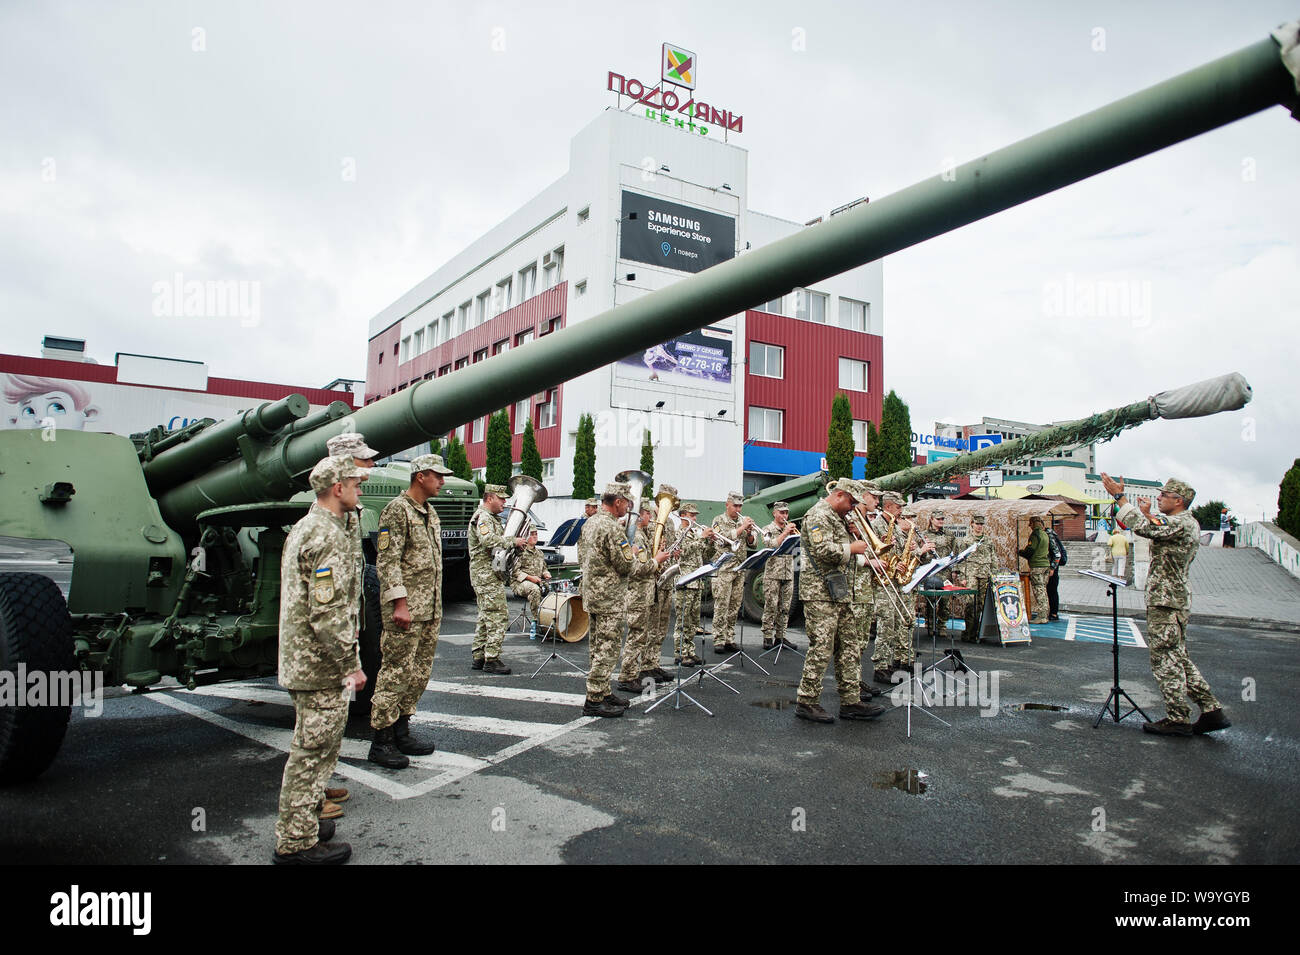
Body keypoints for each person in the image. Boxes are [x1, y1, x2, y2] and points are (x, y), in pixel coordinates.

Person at [273, 456, 369, 865]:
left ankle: (306, 821)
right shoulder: (327, 535)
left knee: (315, 747)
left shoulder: (307, 525)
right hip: (319, 665)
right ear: (337, 487)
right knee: (312, 752)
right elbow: (326, 612)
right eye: (355, 483)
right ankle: (295, 843)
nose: (360, 490)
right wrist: (351, 663)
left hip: (307, 661)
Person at [1101, 473, 1230, 737]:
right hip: (1173, 598)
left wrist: (1119, 497)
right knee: (1178, 657)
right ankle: (1211, 710)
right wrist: (1146, 514)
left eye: (1164, 496)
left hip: (1167, 600)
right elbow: (1154, 526)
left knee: (1164, 659)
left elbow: (1146, 528)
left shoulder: (1181, 523)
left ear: (1179, 501)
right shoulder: (1182, 523)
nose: (1158, 498)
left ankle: (1178, 717)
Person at [367, 453, 453, 769]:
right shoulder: (397, 511)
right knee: (395, 670)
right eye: (437, 476)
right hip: (406, 610)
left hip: (429, 609)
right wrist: (399, 604)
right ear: (420, 476)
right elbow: (387, 562)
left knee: (418, 673)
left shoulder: (430, 513)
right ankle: (382, 740)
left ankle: (402, 730)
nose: (442, 482)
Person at [794, 479, 886, 724]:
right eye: (851, 502)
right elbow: (823, 550)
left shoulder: (837, 517)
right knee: (822, 647)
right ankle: (807, 701)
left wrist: (852, 534)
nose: (853, 507)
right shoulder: (818, 515)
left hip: (838, 590)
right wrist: (852, 547)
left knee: (849, 645)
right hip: (819, 591)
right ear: (840, 495)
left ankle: (850, 700)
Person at [581, 482, 669, 716]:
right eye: (627, 502)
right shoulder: (611, 528)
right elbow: (626, 564)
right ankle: (594, 701)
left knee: (597, 647)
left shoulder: (591, 522)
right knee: (607, 650)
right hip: (609, 597)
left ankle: (601, 692)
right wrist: (656, 560)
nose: (630, 507)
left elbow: (583, 557)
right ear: (617, 502)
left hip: (593, 595)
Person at [468, 484, 523, 674]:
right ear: (490, 498)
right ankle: (491, 658)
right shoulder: (482, 517)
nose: (505, 502)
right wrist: (512, 541)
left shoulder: (489, 517)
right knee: (499, 615)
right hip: (486, 575)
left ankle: (479, 656)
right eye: (501, 498)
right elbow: (488, 541)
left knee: (485, 615)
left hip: (486, 573)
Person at [616, 502, 659, 693]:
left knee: (639, 636)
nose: (651, 517)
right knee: (635, 636)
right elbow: (638, 569)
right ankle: (627, 676)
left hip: (643, 595)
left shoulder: (642, 535)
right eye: (648, 513)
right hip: (637, 595)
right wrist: (657, 561)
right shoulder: (637, 537)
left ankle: (631, 674)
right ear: (640, 516)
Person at [709, 492, 757, 653]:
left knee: (734, 606)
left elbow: (753, 544)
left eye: (740, 506)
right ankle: (718, 639)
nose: (738, 509)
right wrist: (742, 528)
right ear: (727, 504)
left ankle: (729, 638)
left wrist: (749, 532)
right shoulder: (718, 520)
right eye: (735, 505)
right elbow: (721, 541)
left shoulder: (742, 521)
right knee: (721, 605)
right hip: (724, 570)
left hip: (739, 569)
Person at [642, 484, 680, 682]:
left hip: (666, 579)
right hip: (653, 579)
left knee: (662, 625)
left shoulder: (671, 523)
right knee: (651, 625)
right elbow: (645, 551)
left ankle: (654, 663)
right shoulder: (648, 521)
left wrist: (673, 553)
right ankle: (645, 665)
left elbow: (669, 548)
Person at [671, 503, 712, 667]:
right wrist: (701, 537)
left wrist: (709, 542)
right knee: (682, 620)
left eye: (695, 515)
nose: (695, 518)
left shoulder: (695, 533)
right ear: (683, 516)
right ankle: (679, 653)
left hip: (697, 581)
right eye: (692, 515)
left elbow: (706, 555)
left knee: (693, 621)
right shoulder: (678, 534)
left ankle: (690, 651)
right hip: (685, 581)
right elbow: (684, 552)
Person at [759, 502, 799, 650]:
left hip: (788, 573)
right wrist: (785, 533)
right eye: (781, 513)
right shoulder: (768, 529)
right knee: (771, 605)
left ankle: (781, 636)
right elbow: (770, 544)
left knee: (785, 607)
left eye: (786, 513)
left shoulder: (791, 530)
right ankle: (767, 637)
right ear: (775, 513)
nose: (784, 516)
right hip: (773, 574)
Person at [960, 514, 999, 642]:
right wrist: (962, 576)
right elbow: (961, 560)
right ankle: (969, 632)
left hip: (985, 574)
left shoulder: (988, 540)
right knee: (971, 604)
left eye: (981, 524)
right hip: (971, 574)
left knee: (981, 604)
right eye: (977, 524)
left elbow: (993, 558)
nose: (979, 527)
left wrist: (994, 573)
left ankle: (978, 632)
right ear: (972, 524)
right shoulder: (966, 540)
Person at [511, 528, 550, 634]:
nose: (535, 537)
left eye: (536, 534)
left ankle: (548, 620)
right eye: (532, 534)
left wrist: (546, 573)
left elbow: (544, 568)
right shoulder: (520, 552)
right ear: (526, 537)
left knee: (551, 590)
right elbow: (514, 572)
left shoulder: (539, 553)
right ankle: (536, 620)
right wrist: (530, 577)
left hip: (537, 581)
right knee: (535, 589)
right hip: (519, 583)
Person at [1020, 516, 1051, 624]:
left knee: (1039, 591)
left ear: (1033, 524)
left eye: (1030, 524)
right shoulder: (1045, 534)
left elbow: (1030, 550)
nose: (1030, 526)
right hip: (1045, 565)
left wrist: (1020, 552)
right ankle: (1045, 614)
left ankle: (1042, 616)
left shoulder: (1035, 535)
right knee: (1043, 590)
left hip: (1037, 566)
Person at [1046, 521, 1065, 621]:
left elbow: (1057, 554)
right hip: (1052, 567)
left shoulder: (1049, 536)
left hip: (1052, 568)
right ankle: (1052, 612)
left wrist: (1052, 568)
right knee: (1051, 590)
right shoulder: (1052, 534)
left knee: (1052, 590)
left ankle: (1054, 613)